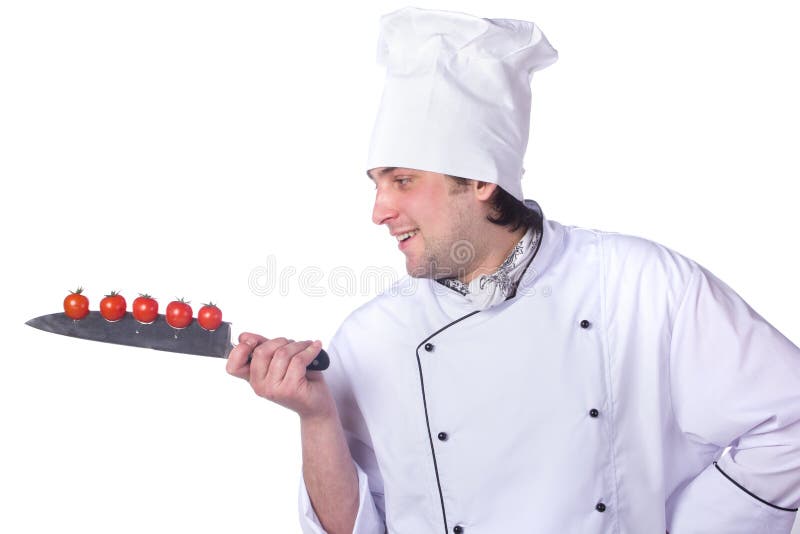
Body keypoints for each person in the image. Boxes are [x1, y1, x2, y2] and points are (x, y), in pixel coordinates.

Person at [226, 7, 800, 533]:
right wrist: (317, 417)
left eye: (402, 180)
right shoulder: (371, 336)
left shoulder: (639, 286)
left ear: (480, 180)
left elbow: (790, 420)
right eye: (376, 184)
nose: (379, 211)